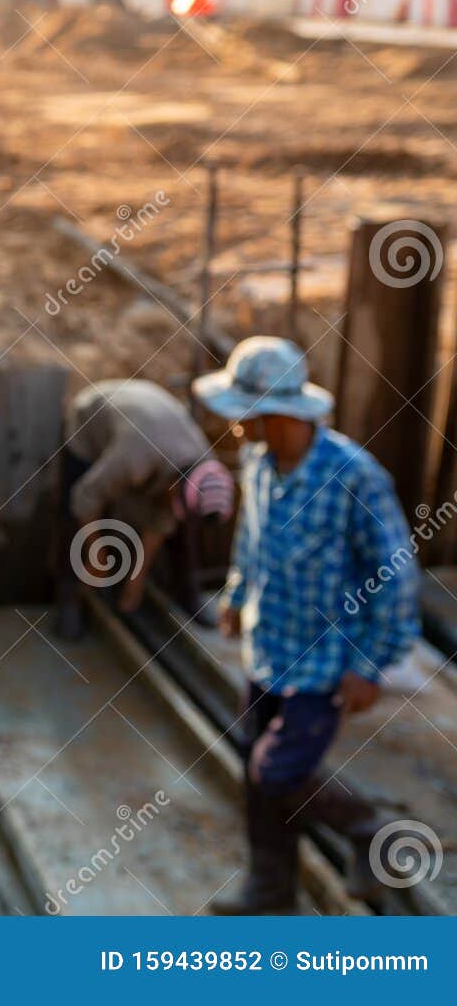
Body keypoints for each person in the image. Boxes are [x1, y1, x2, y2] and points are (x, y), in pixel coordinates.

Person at [193, 337, 420, 914]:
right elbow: (251, 538)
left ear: (277, 414)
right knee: (258, 777)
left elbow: (396, 576)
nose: (238, 429)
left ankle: (365, 825)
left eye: (247, 417)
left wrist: (369, 666)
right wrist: (236, 594)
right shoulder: (260, 464)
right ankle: (271, 891)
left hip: (324, 665)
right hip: (268, 648)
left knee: (277, 771)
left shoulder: (354, 476)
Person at [58, 379, 234, 635]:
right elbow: (84, 497)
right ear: (173, 485)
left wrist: (136, 579)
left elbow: (164, 519)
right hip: (92, 418)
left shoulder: (206, 466)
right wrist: (97, 552)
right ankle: (68, 599)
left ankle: (186, 594)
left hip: (152, 418)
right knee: (72, 517)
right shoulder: (133, 457)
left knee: (180, 530)